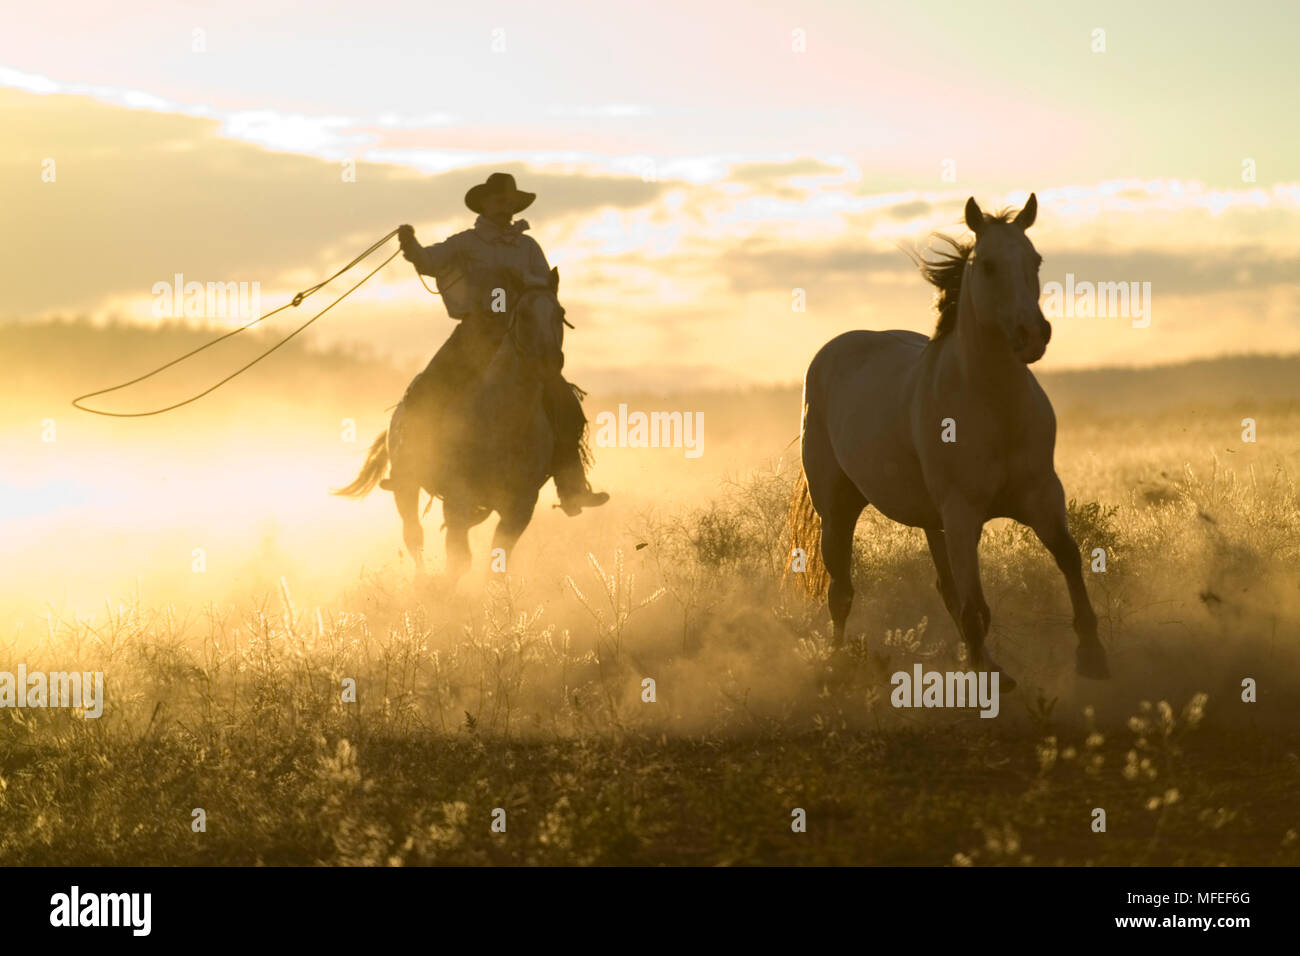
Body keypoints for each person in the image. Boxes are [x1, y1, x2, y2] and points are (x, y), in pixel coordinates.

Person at [397, 172, 609, 516]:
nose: (504, 208)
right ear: (484, 205)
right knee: (424, 394)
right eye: (498, 202)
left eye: (508, 203)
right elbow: (430, 262)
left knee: (567, 408)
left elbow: (543, 287)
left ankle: (571, 487)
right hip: (476, 334)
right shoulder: (466, 243)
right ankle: (410, 465)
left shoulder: (528, 247)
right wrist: (411, 246)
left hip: (523, 339)